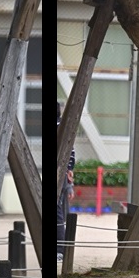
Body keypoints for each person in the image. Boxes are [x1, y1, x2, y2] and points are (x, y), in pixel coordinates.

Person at [57, 101, 75, 263]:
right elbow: (71, 151)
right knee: (60, 210)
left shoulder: (59, 127)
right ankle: (61, 248)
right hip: (64, 173)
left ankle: (60, 249)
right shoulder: (63, 126)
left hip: (60, 173)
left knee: (58, 212)